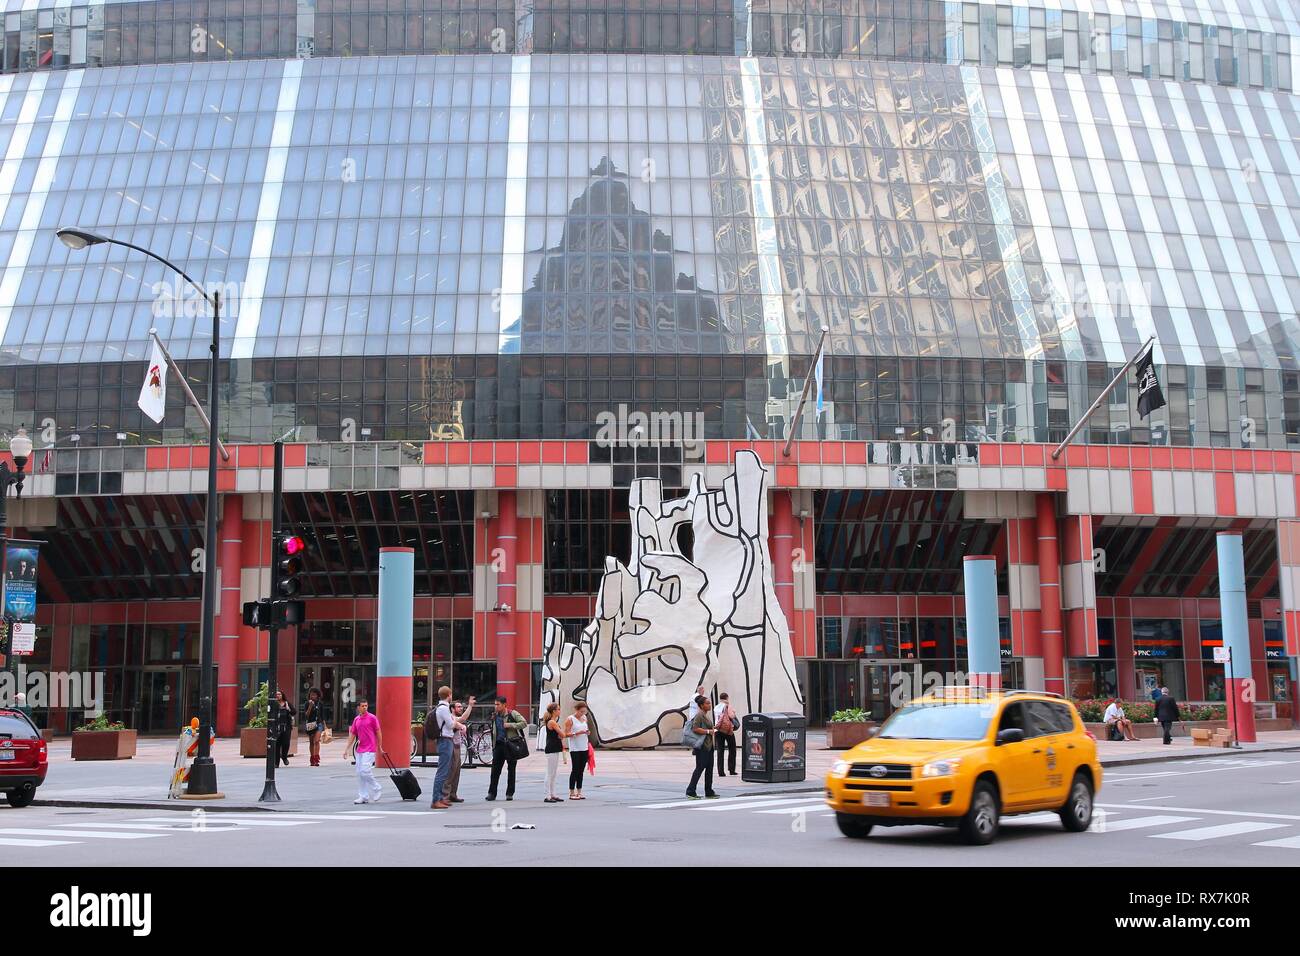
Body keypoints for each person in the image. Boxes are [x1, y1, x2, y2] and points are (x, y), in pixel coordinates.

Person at [429, 686, 473, 809]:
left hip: (445, 740)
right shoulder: (443, 709)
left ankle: (440, 798)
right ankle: (436, 800)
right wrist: (461, 726)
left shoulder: (442, 708)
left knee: (444, 771)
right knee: (442, 772)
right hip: (445, 740)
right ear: (449, 695)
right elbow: (450, 724)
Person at [486, 696, 527, 802]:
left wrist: (510, 725)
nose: (496, 707)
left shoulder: (512, 713)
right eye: (495, 704)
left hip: (510, 745)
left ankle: (509, 793)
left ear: (504, 705)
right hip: (498, 746)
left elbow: (524, 723)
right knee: (495, 771)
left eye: (498, 704)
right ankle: (491, 793)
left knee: (511, 770)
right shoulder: (495, 715)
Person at [344, 698, 383, 805]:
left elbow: (378, 732)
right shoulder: (356, 720)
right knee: (359, 773)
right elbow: (352, 734)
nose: (365, 707)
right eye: (362, 706)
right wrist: (347, 749)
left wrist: (380, 746)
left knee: (365, 770)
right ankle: (363, 796)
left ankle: (377, 788)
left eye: (366, 705)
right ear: (358, 707)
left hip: (370, 748)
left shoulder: (372, 718)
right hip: (360, 749)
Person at [686, 697, 719, 799]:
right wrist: (709, 731)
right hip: (702, 747)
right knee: (699, 768)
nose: (709, 705)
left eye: (709, 703)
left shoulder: (705, 715)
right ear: (701, 705)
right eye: (707, 703)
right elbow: (695, 728)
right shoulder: (699, 715)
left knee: (709, 769)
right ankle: (690, 791)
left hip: (709, 746)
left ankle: (709, 791)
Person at [441, 699, 471, 805]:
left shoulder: (454, 717)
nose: (461, 708)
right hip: (452, 747)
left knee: (456, 771)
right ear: (452, 709)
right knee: (451, 771)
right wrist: (470, 706)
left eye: (461, 707)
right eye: (458, 707)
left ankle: (453, 794)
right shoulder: (451, 717)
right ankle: (446, 795)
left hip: (457, 747)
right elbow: (462, 719)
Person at [564, 701, 591, 800]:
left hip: (584, 746)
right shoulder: (570, 719)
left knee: (581, 770)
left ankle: (579, 791)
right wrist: (577, 733)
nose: (582, 713)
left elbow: (586, 729)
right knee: (575, 769)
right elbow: (566, 734)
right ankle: (571, 792)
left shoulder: (584, 718)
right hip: (575, 747)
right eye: (581, 711)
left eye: (584, 711)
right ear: (576, 710)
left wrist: (587, 732)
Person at [542, 701, 565, 803]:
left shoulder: (553, 722)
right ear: (554, 711)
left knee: (554, 773)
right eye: (558, 709)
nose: (560, 711)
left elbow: (560, 735)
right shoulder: (552, 722)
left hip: (555, 748)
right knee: (550, 772)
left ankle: (553, 794)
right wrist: (561, 734)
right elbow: (562, 735)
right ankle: (547, 795)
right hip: (551, 749)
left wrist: (560, 734)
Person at [715, 691, 739, 776]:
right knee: (732, 749)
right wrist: (733, 711)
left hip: (718, 730)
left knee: (720, 751)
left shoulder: (716, 707)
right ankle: (731, 769)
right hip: (727, 730)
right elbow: (732, 716)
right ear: (727, 698)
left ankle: (721, 771)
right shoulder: (727, 706)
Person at [273, 689, 296, 766]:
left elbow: (294, 712)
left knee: (286, 743)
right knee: (277, 744)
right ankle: (276, 763)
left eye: (279, 694)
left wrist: (288, 709)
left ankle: (284, 757)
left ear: (282, 695)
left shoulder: (287, 703)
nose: (278, 696)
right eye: (276, 694)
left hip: (286, 727)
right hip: (277, 727)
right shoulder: (273, 704)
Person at [303, 687, 325, 767]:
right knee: (311, 742)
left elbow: (322, 716)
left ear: (317, 695)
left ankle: (316, 758)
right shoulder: (307, 703)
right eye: (311, 695)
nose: (313, 696)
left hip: (319, 724)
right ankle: (312, 758)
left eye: (314, 695)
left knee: (316, 741)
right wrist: (310, 706)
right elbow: (306, 715)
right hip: (310, 725)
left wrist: (324, 726)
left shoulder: (320, 703)